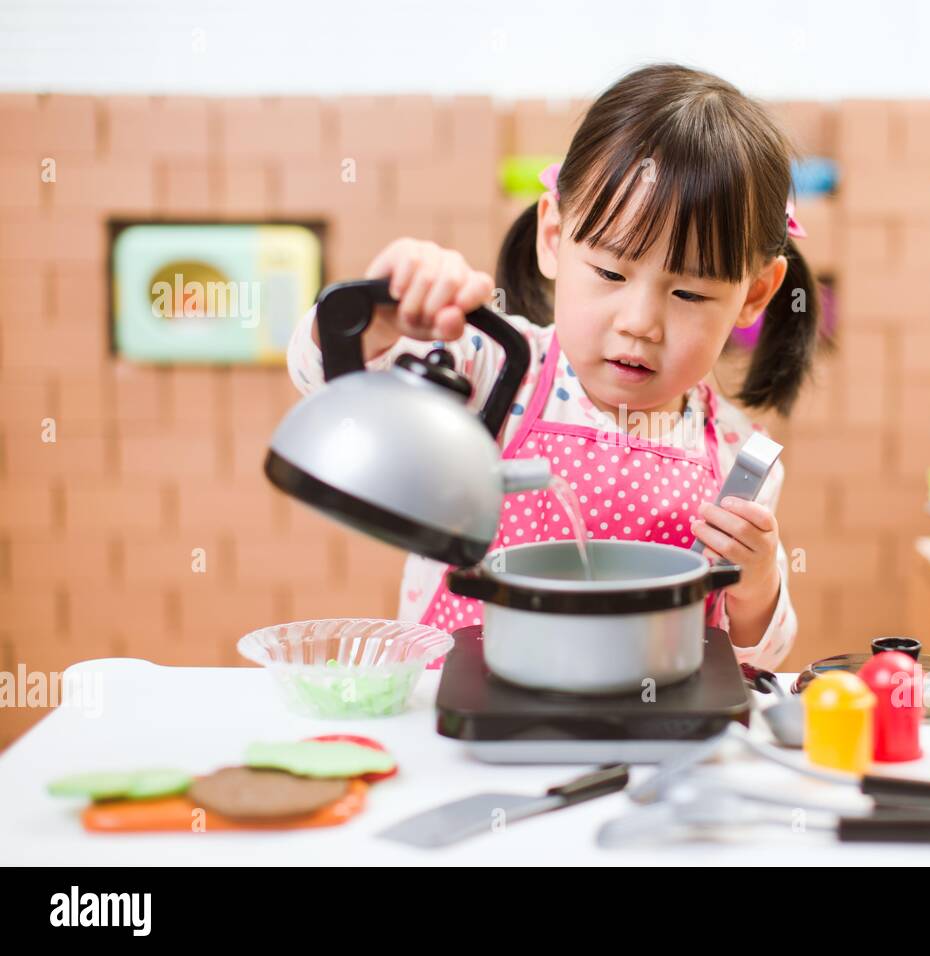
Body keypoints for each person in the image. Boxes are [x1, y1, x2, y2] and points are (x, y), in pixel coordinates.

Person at [287, 63, 820, 670]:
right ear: (554, 235)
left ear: (754, 294)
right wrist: (380, 316)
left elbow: (758, 659)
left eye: (690, 294)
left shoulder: (737, 458)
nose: (640, 322)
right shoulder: (490, 367)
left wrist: (755, 587)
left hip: (642, 727)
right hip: (466, 711)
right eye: (612, 274)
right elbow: (324, 382)